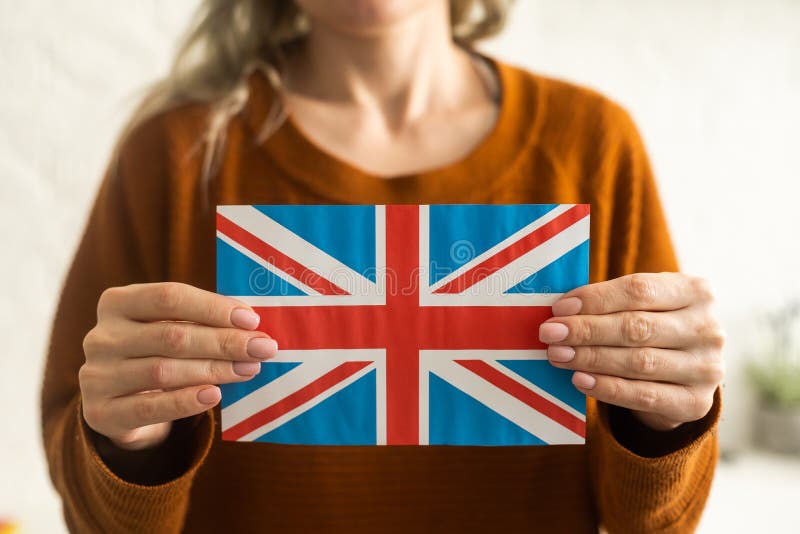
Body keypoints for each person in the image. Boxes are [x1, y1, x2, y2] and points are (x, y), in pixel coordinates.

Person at [41, 1, 725, 532]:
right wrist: (129, 442)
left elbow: (655, 523)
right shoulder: (174, 155)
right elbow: (95, 518)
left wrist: (664, 422)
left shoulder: (593, 146)